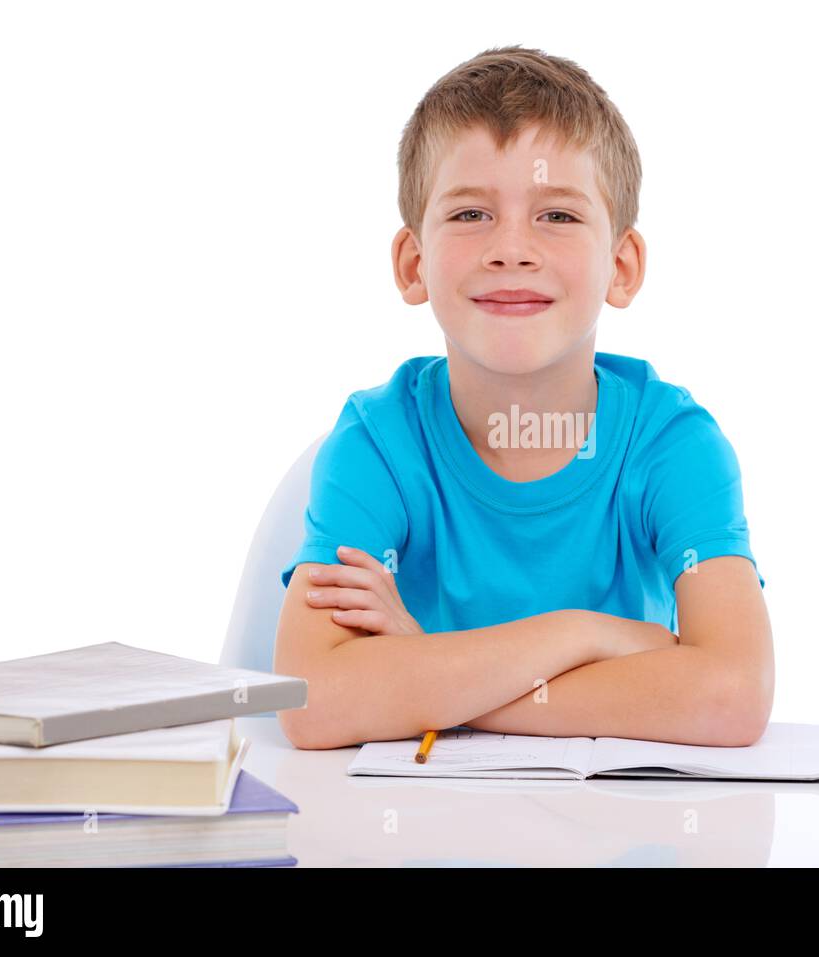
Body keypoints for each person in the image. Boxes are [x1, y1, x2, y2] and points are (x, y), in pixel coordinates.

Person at [274, 45, 773, 750]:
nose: (511, 249)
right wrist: (589, 635)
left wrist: (432, 678)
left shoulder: (674, 445)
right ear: (413, 265)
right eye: (472, 214)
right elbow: (314, 701)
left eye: (558, 217)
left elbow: (731, 696)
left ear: (621, 267)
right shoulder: (377, 442)